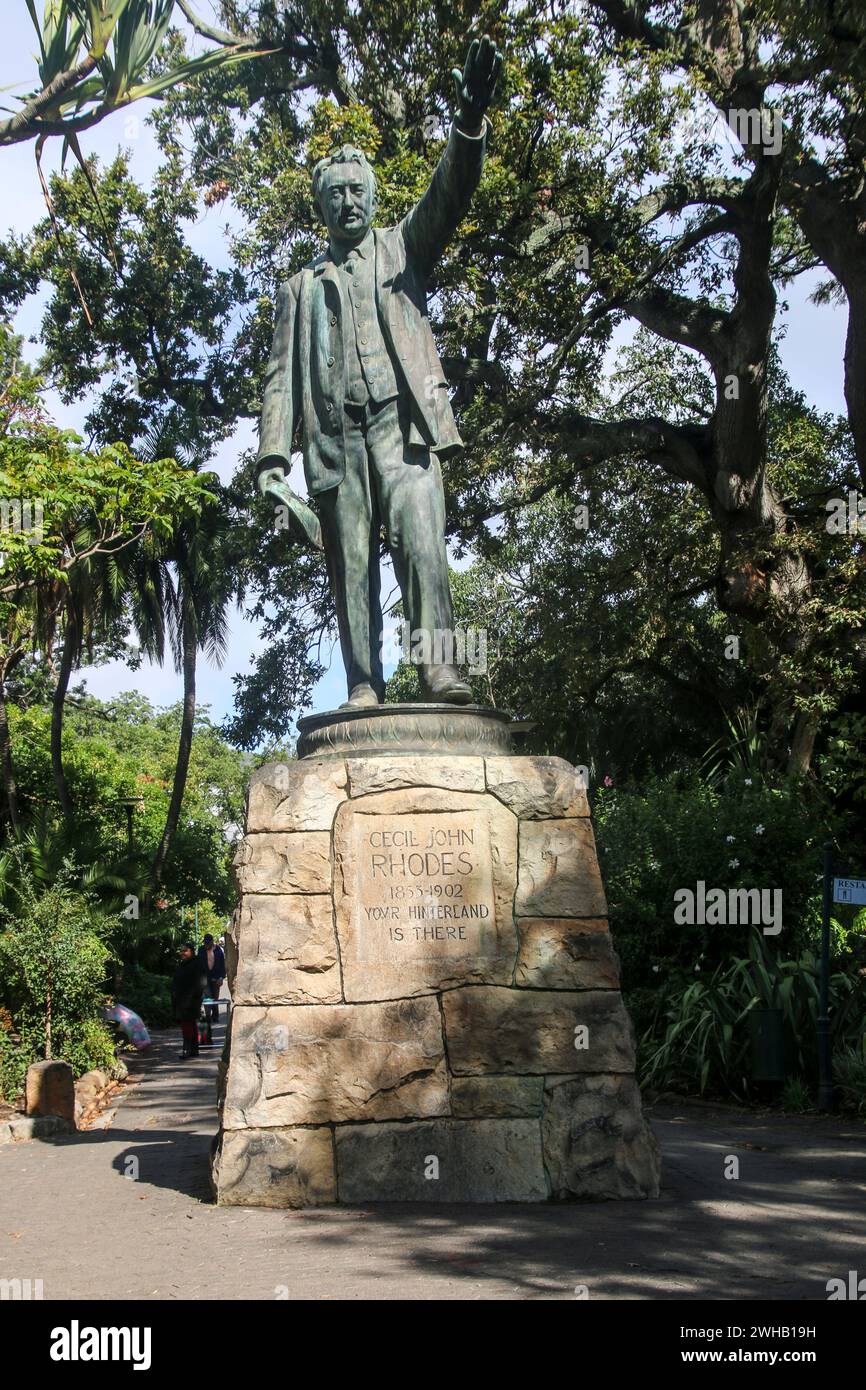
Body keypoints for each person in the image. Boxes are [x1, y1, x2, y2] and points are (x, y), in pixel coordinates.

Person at [255, 34, 502, 709]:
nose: (347, 203)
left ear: (370, 195)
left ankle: (441, 674)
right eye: (334, 195)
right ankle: (364, 683)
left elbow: (451, 192)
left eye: (356, 191)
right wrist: (272, 456)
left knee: (423, 547)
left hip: (404, 430)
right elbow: (280, 376)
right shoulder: (299, 287)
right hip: (338, 442)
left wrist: (470, 119)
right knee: (351, 570)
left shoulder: (403, 249)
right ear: (322, 206)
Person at [171, 943, 206, 1060]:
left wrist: (194, 996)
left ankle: (187, 1049)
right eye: (181, 951)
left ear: (191, 951)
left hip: (190, 1000)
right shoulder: (183, 964)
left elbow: (201, 982)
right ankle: (194, 1049)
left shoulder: (196, 964)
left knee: (187, 1024)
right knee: (190, 1024)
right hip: (182, 999)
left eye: (185, 951)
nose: (182, 953)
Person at [198, 932, 227, 1034]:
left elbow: (222, 964)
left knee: (215, 997)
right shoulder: (201, 950)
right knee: (207, 997)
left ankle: (215, 1016)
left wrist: (221, 977)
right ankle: (208, 1017)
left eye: (207, 943)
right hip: (204, 978)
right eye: (205, 943)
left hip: (216, 977)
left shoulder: (218, 950)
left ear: (211, 942)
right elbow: (199, 964)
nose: (206, 945)